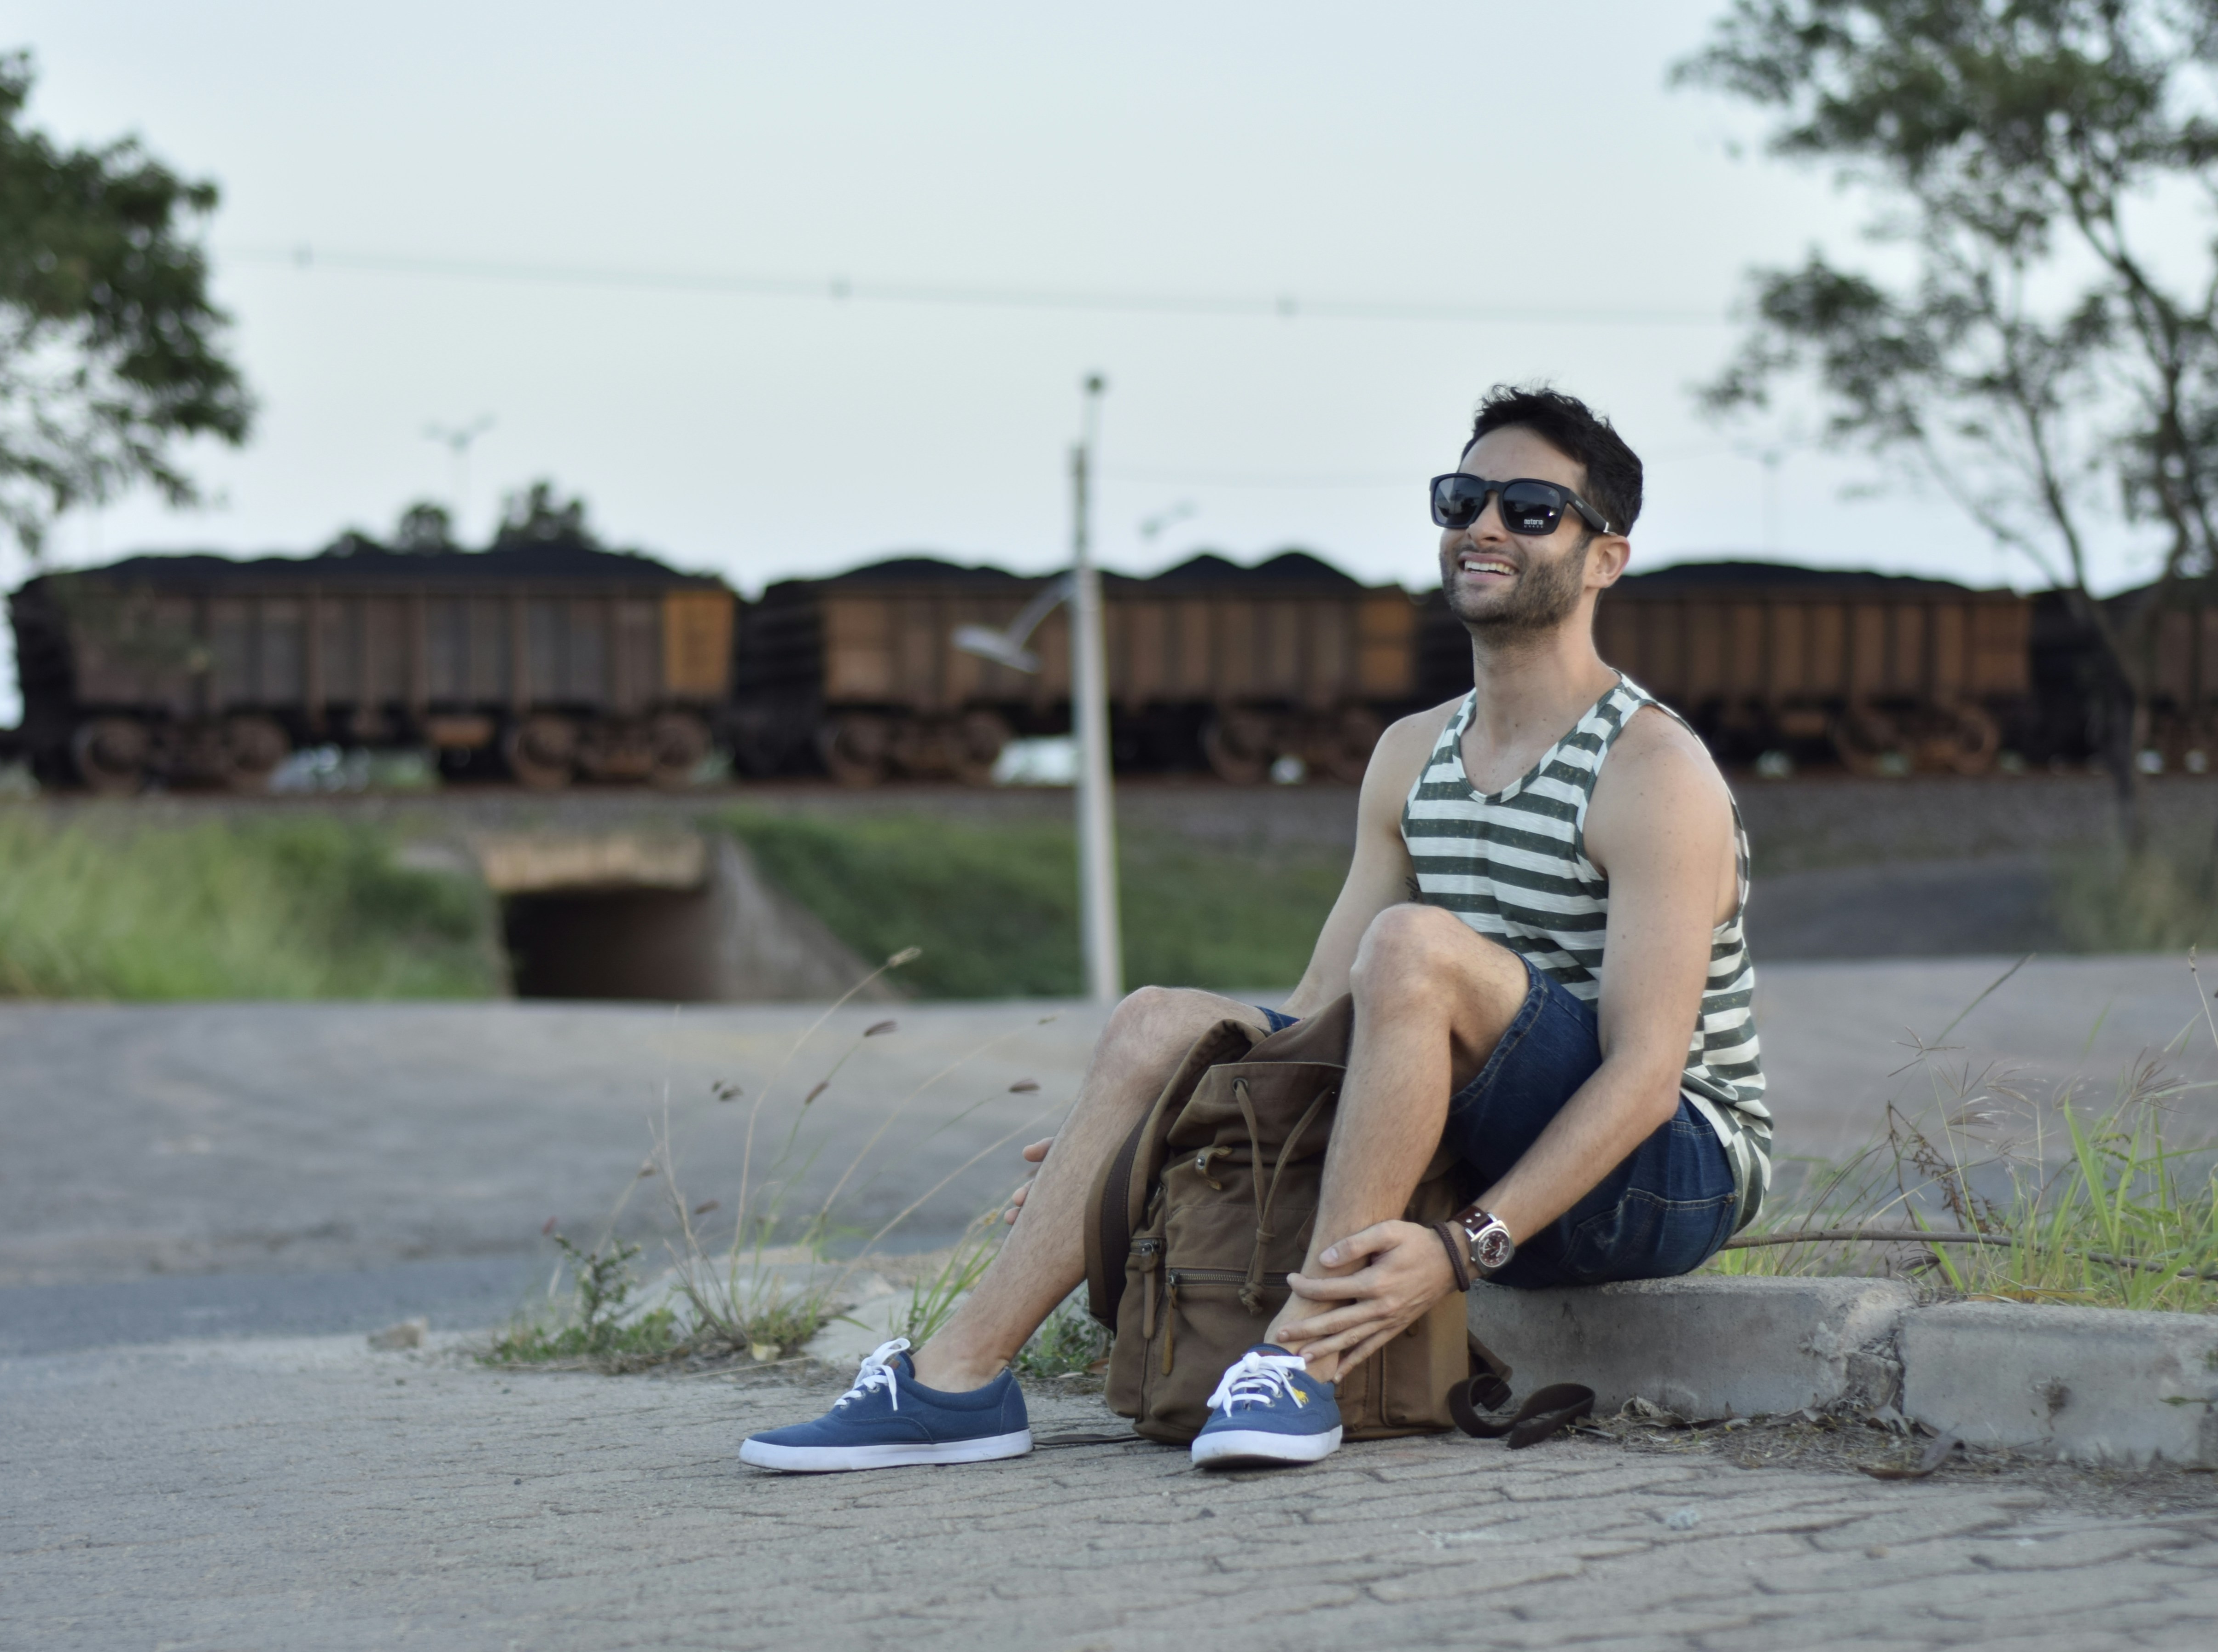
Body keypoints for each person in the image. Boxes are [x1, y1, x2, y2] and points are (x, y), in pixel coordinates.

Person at [739, 384, 1770, 1475]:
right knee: (1156, 1023)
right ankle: (956, 1382)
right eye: (1462, 498)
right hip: (1492, 1132)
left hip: (1664, 1172)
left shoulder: (1652, 768)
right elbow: (1314, 1016)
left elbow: (1646, 1077)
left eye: (1529, 510)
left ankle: (1299, 1362)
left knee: (1411, 947)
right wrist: (1137, 1133)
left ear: (1604, 558)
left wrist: (1462, 1249)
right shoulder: (1412, 753)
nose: (1482, 526)